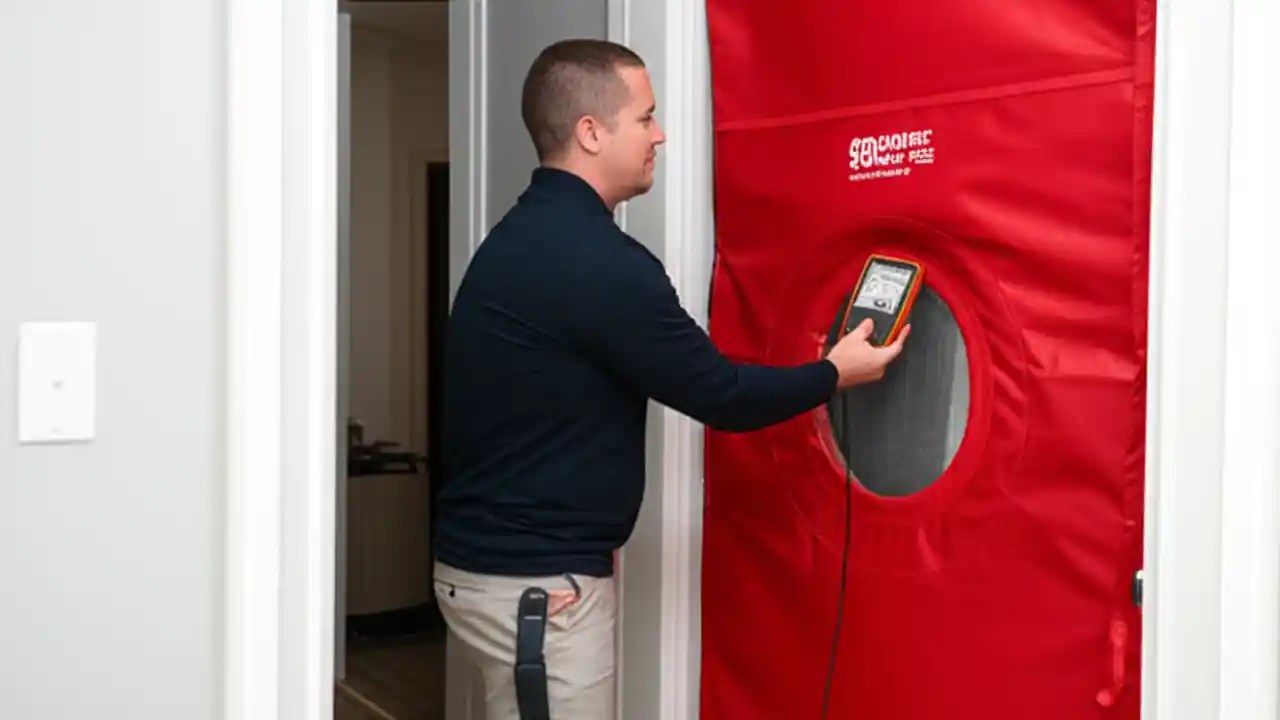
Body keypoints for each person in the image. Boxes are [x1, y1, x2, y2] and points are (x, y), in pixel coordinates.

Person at [432, 39, 909, 719]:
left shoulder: (512, 240)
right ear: (590, 133)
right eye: (646, 117)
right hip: (536, 596)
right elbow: (723, 395)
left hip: (487, 579)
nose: (660, 135)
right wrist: (835, 371)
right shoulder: (602, 265)